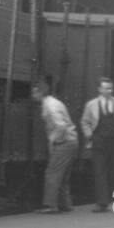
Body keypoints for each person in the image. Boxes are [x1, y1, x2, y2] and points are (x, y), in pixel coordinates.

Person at [80, 77, 114, 213]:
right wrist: (89, 135)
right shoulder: (91, 105)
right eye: (106, 88)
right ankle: (102, 203)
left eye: (111, 88)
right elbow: (84, 122)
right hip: (98, 142)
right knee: (99, 172)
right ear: (99, 89)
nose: (109, 91)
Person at [33, 77, 78, 213]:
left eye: (34, 92)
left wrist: (52, 140)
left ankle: (51, 206)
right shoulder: (53, 102)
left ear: (40, 93)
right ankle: (65, 205)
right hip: (71, 141)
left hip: (64, 142)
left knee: (52, 173)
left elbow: (61, 125)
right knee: (63, 176)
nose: (32, 95)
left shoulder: (49, 105)